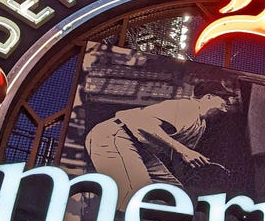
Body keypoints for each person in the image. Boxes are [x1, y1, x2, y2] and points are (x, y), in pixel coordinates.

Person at [85, 79, 237, 208]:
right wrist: (184, 151)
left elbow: (178, 155)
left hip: (140, 148)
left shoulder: (201, 124)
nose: (227, 102)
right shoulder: (186, 108)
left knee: (174, 193)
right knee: (137, 190)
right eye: (223, 98)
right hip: (114, 134)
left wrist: (202, 164)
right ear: (208, 97)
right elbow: (142, 122)